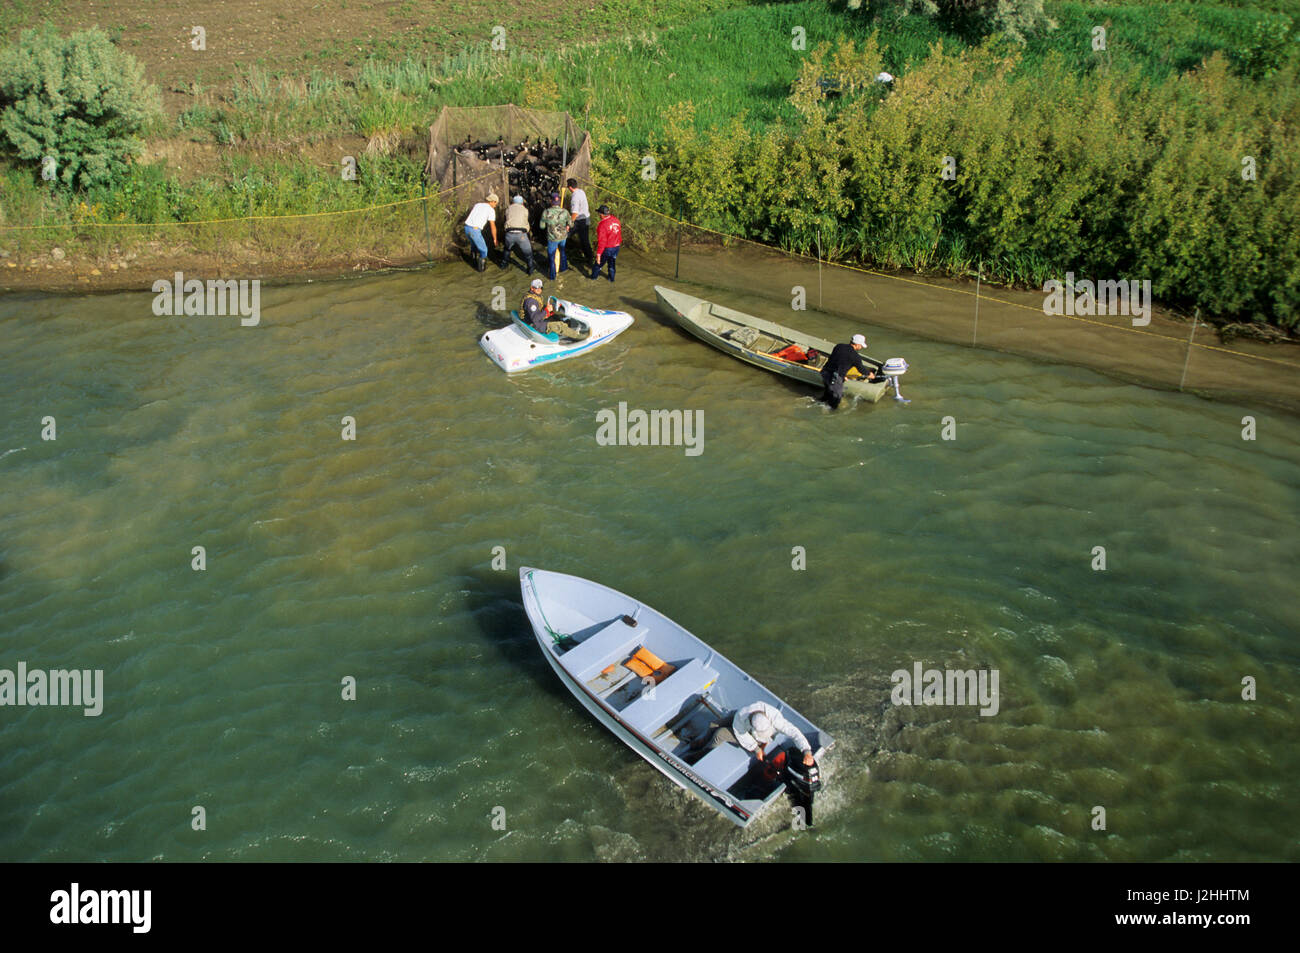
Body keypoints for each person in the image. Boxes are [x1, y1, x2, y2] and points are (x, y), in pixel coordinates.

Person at [699, 701, 816, 767]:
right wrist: (756, 749)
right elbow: (742, 735)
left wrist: (806, 751)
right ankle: (701, 744)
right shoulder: (742, 715)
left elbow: (794, 733)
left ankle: (703, 752)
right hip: (743, 731)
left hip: (759, 740)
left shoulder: (775, 718)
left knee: (720, 734)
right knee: (714, 725)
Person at [820, 333, 876, 409]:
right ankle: (829, 411)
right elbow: (861, 369)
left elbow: (837, 360)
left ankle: (822, 401)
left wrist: (843, 376)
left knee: (827, 392)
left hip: (825, 372)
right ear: (857, 345)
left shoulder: (839, 346)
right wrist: (869, 374)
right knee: (836, 400)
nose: (861, 347)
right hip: (835, 378)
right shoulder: (855, 356)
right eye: (861, 345)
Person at [464, 192, 499, 272]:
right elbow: (493, 226)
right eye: (496, 203)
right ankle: (481, 272)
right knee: (484, 251)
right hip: (475, 230)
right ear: (492, 201)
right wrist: (495, 239)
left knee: (473, 245)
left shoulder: (478, 205)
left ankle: (473, 262)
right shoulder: (491, 210)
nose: (496, 205)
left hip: (466, 228)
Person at [500, 195, 534, 274]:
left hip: (509, 234)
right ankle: (530, 270)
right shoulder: (525, 210)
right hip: (521, 234)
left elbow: (505, 219)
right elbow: (526, 220)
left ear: (513, 202)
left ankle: (503, 265)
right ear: (522, 203)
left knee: (507, 249)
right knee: (528, 254)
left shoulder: (508, 209)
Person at [540, 192, 571, 279]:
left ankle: (552, 276)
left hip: (552, 238)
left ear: (551, 201)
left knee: (551, 257)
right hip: (563, 237)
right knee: (563, 252)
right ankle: (564, 270)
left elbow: (541, 227)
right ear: (559, 201)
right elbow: (571, 224)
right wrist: (566, 225)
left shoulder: (546, 212)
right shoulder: (565, 211)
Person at [590, 204, 621, 282]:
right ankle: (611, 280)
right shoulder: (616, 219)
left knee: (598, 265)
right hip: (617, 247)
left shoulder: (602, 225)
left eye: (599, 214)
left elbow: (602, 242)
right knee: (611, 264)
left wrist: (598, 254)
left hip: (608, 249)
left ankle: (592, 280)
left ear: (602, 214)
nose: (599, 215)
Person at [566, 178, 592, 266]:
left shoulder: (575, 197)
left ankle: (563, 254)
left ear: (570, 187)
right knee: (585, 240)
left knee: (566, 234)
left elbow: (575, 213)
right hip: (586, 217)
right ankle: (589, 258)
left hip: (580, 220)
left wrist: (569, 224)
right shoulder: (581, 191)